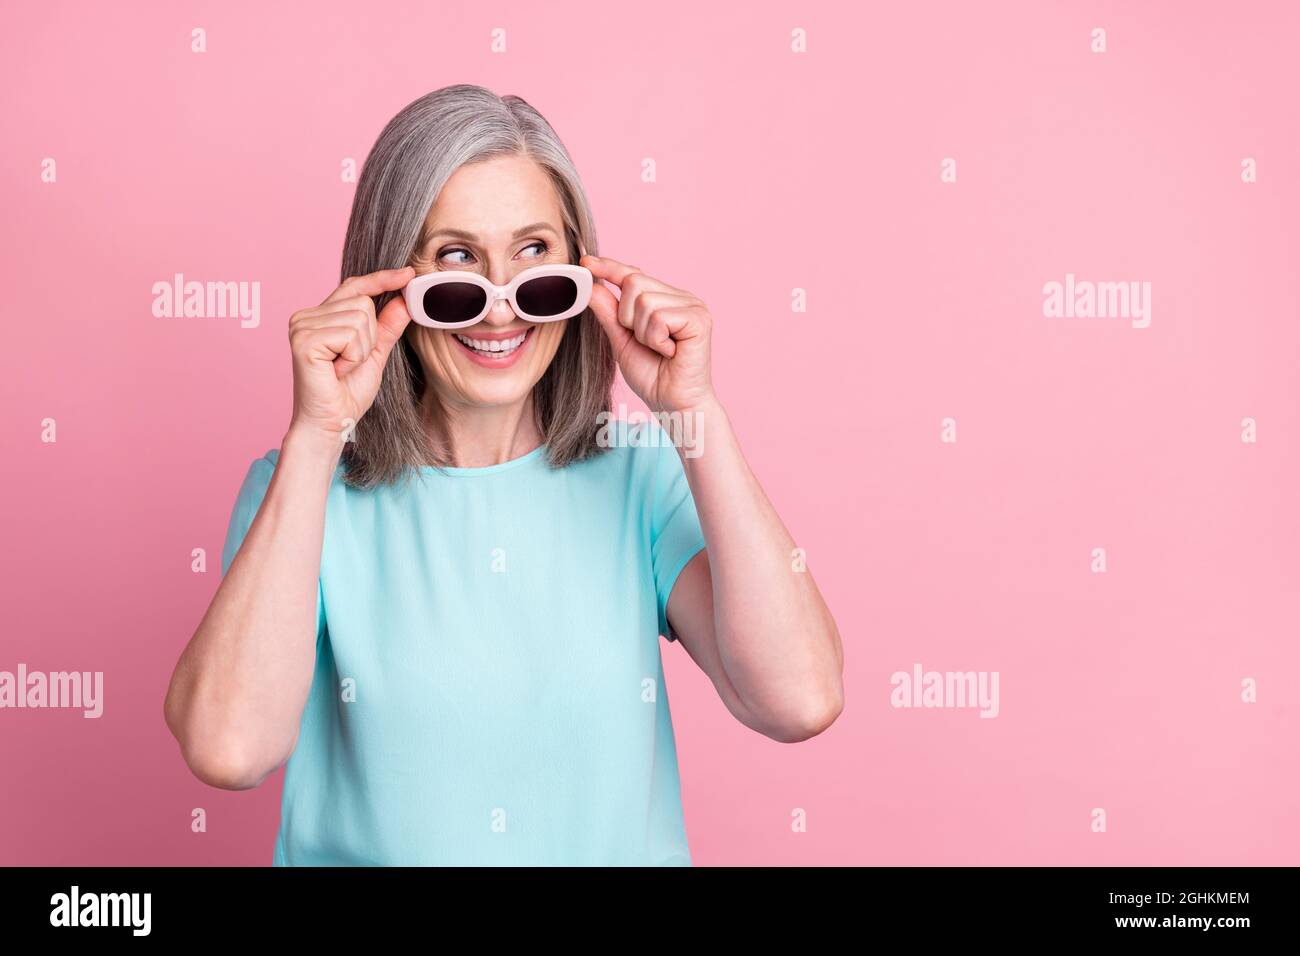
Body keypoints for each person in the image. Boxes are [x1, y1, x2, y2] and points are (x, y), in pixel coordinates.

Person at [164, 84, 843, 865]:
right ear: (390, 283)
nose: (500, 309)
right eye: (457, 260)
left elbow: (801, 700)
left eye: (534, 257)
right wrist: (319, 434)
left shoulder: (642, 483)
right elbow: (228, 748)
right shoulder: (302, 492)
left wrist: (695, 413)